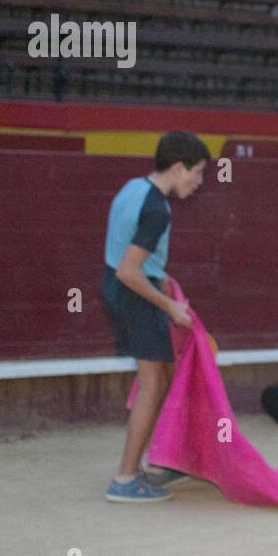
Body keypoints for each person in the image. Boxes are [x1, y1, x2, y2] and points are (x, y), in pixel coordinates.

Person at [101, 131, 209, 502]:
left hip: (125, 290)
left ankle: (156, 463)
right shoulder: (158, 209)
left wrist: (161, 282)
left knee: (160, 376)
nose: (198, 182)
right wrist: (170, 307)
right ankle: (126, 479)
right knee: (152, 383)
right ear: (178, 167)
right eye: (196, 173)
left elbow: (126, 258)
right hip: (134, 294)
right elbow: (129, 272)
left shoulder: (133, 187)